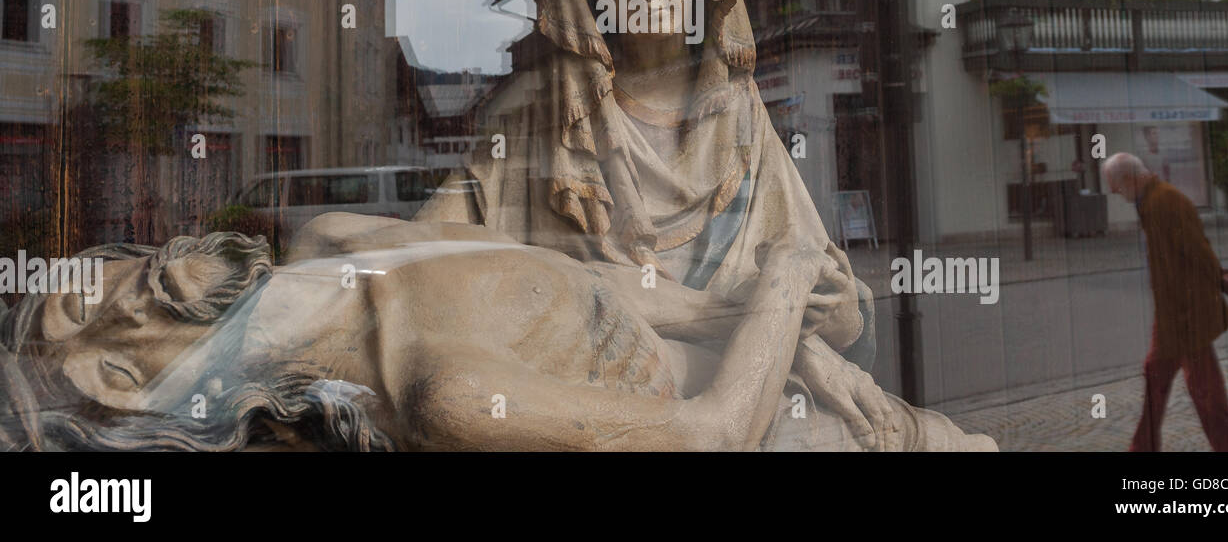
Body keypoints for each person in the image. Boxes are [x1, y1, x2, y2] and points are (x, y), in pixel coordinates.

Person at [416, 0, 889, 428]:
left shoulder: (740, 118)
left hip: (756, 405)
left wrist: (817, 309)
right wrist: (779, 331)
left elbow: (836, 310)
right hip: (605, 414)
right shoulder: (540, 127)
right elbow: (423, 267)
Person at [0, 224, 993, 451]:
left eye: (111, 257)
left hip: (818, 386)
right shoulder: (445, 392)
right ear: (124, 381)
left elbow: (582, 279)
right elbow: (711, 435)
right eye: (82, 308)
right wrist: (779, 291)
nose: (123, 268)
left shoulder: (332, 244)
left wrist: (802, 342)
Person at [1102, 152, 1228, 452]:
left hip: (1187, 315)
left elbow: (1197, 247)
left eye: (1115, 186)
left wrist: (1220, 276)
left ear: (1129, 178)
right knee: (1155, 378)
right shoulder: (1150, 202)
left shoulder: (1166, 200)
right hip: (1170, 315)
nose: (1115, 193)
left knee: (1208, 397)